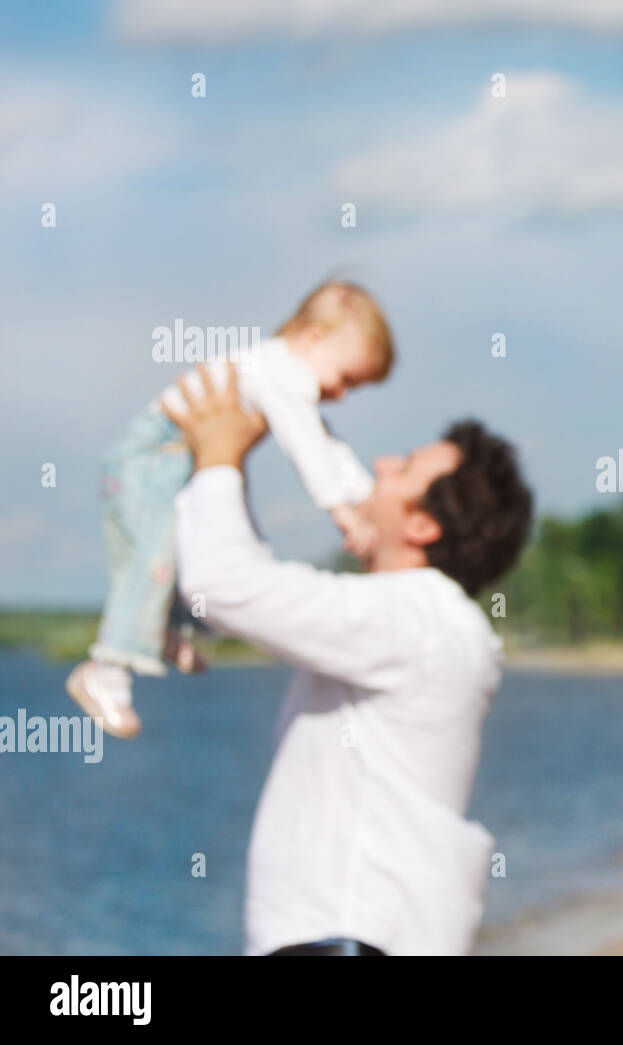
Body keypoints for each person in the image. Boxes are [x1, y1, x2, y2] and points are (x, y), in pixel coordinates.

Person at [162, 361, 532, 956]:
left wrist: (218, 455)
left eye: (404, 468)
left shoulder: (414, 617)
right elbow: (249, 589)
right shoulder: (429, 621)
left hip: (344, 940)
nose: (382, 464)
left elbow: (224, 587)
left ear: (421, 523)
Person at [67, 280, 395, 738]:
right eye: (344, 379)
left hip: (175, 458)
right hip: (151, 457)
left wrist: (367, 495)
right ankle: (106, 670)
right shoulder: (281, 371)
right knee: (152, 562)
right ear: (314, 338)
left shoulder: (280, 373)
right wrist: (345, 512)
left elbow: (324, 442)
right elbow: (308, 448)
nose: (340, 394)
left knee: (188, 548)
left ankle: (160, 628)